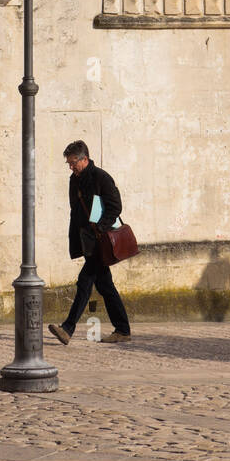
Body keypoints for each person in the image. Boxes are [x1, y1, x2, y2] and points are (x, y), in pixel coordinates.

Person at [48, 140, 131, 345]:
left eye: (73, 162)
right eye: (68, 163)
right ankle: (123, 329)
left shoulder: (101, 178)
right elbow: (75, 211)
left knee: (85, 282)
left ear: (84, 159)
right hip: (87, 242)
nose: (71, 166)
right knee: (105, 286)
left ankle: (68, 328)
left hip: (99, 241)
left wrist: (101, 228)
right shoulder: (73, 180)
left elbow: (115, 207)